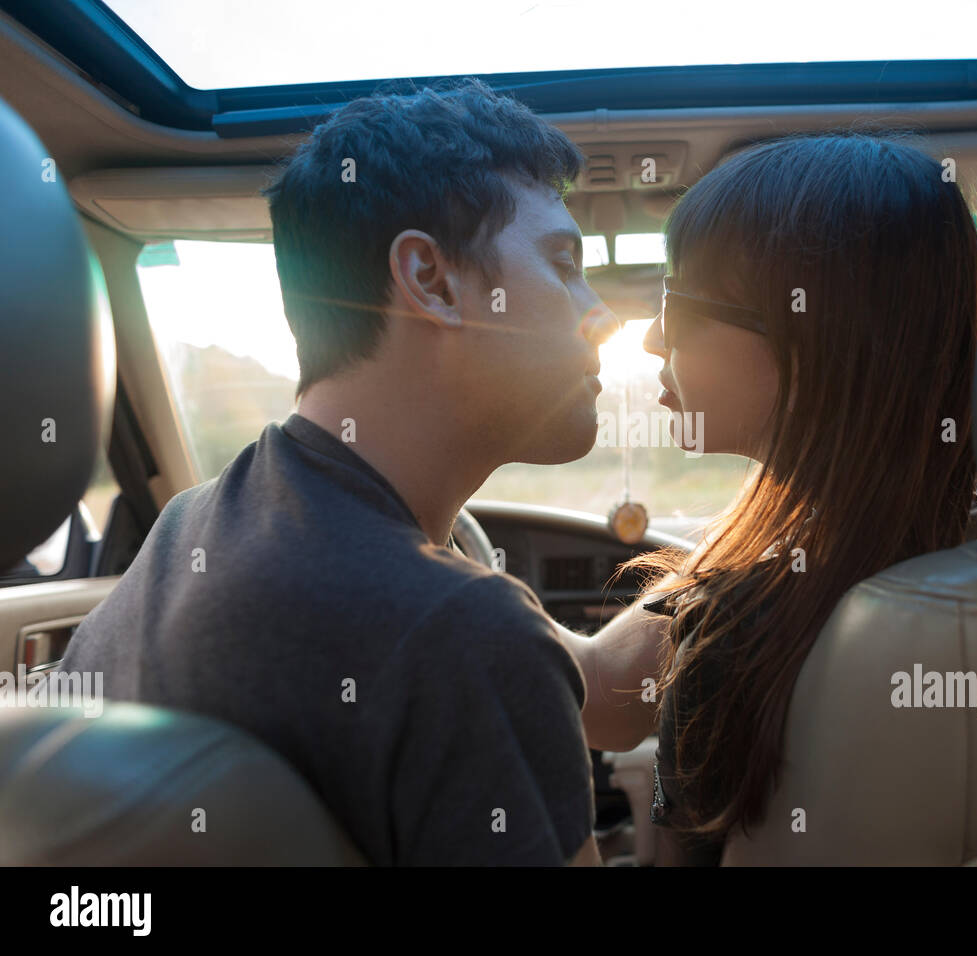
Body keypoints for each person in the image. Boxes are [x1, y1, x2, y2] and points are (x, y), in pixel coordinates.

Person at [59, 79, 618, 866]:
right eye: (564, 263)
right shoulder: (458, 634)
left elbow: (602, 682)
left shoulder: (191, 527)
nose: (605, 315)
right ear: (429, 279)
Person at [559, 132, 977, 865]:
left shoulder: (742, 629)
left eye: (678, 298)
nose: (655, 338)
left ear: (811, 334)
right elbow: (600, 692)